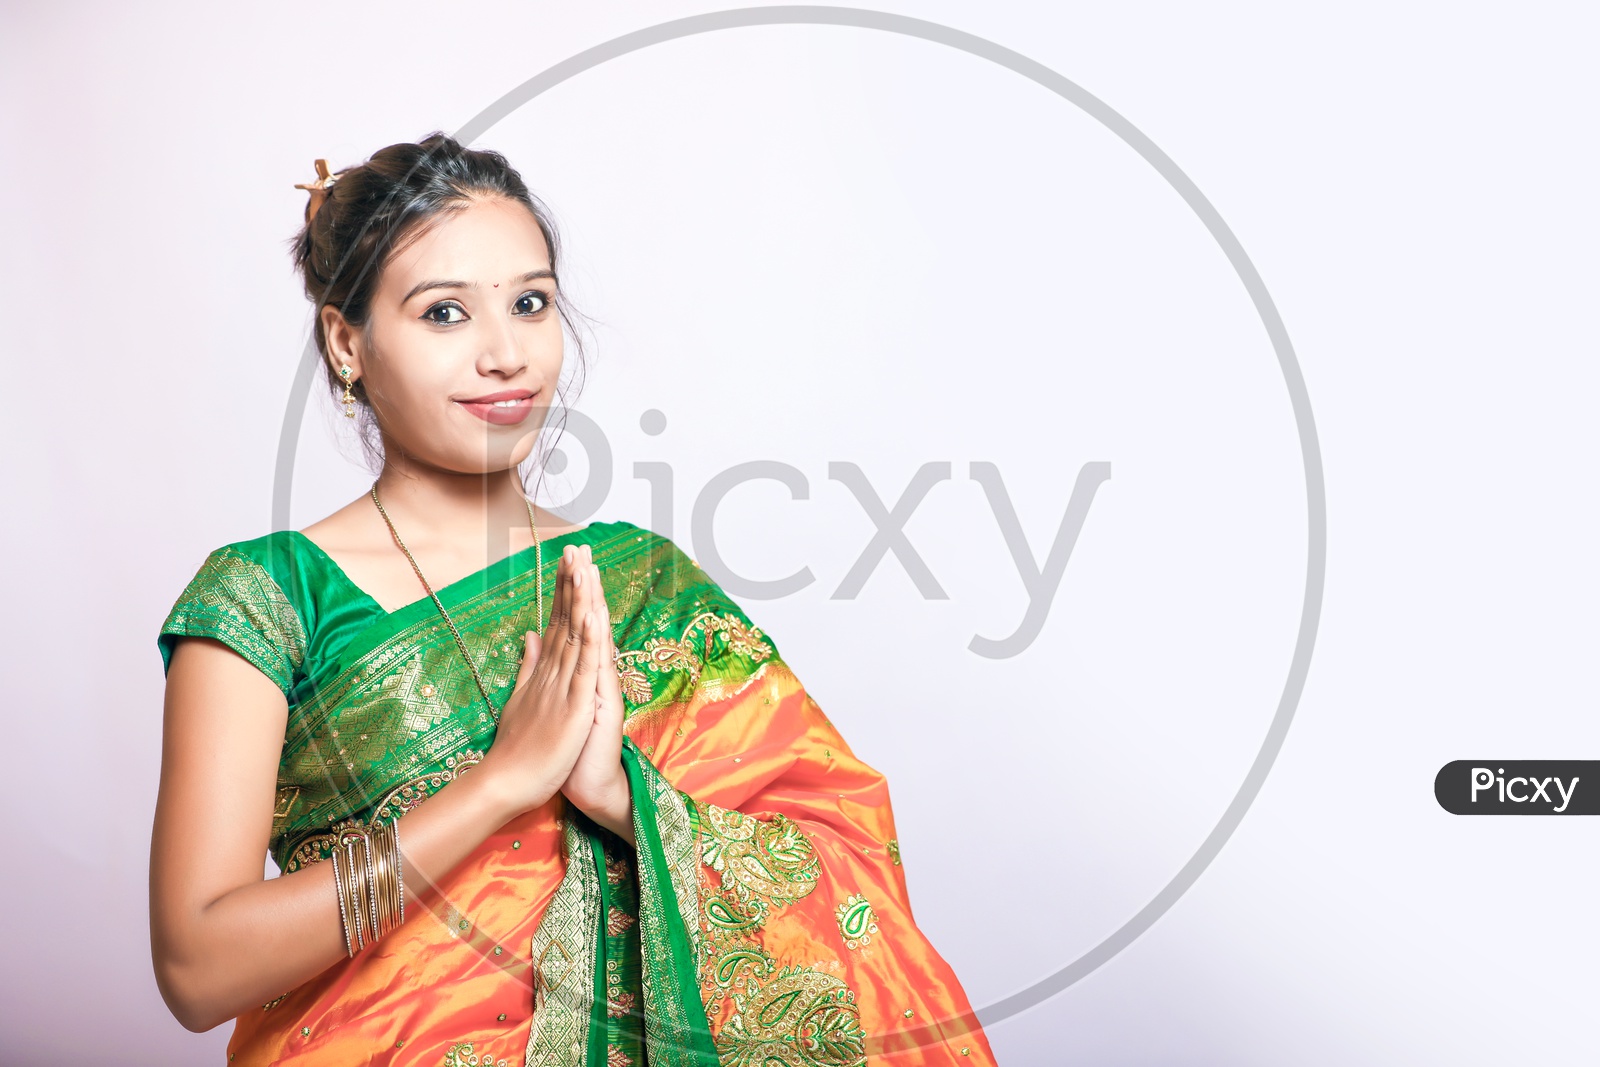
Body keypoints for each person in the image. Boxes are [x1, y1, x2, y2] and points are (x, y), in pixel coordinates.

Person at [150, 133, 997, 1067]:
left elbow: (843, 864)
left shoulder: (638, 580)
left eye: (530, 303)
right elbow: (197, 966)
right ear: (347, 341)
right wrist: (500, 785)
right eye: (444, 314)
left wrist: (623, 798)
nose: (506, 354)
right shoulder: (269, 598)